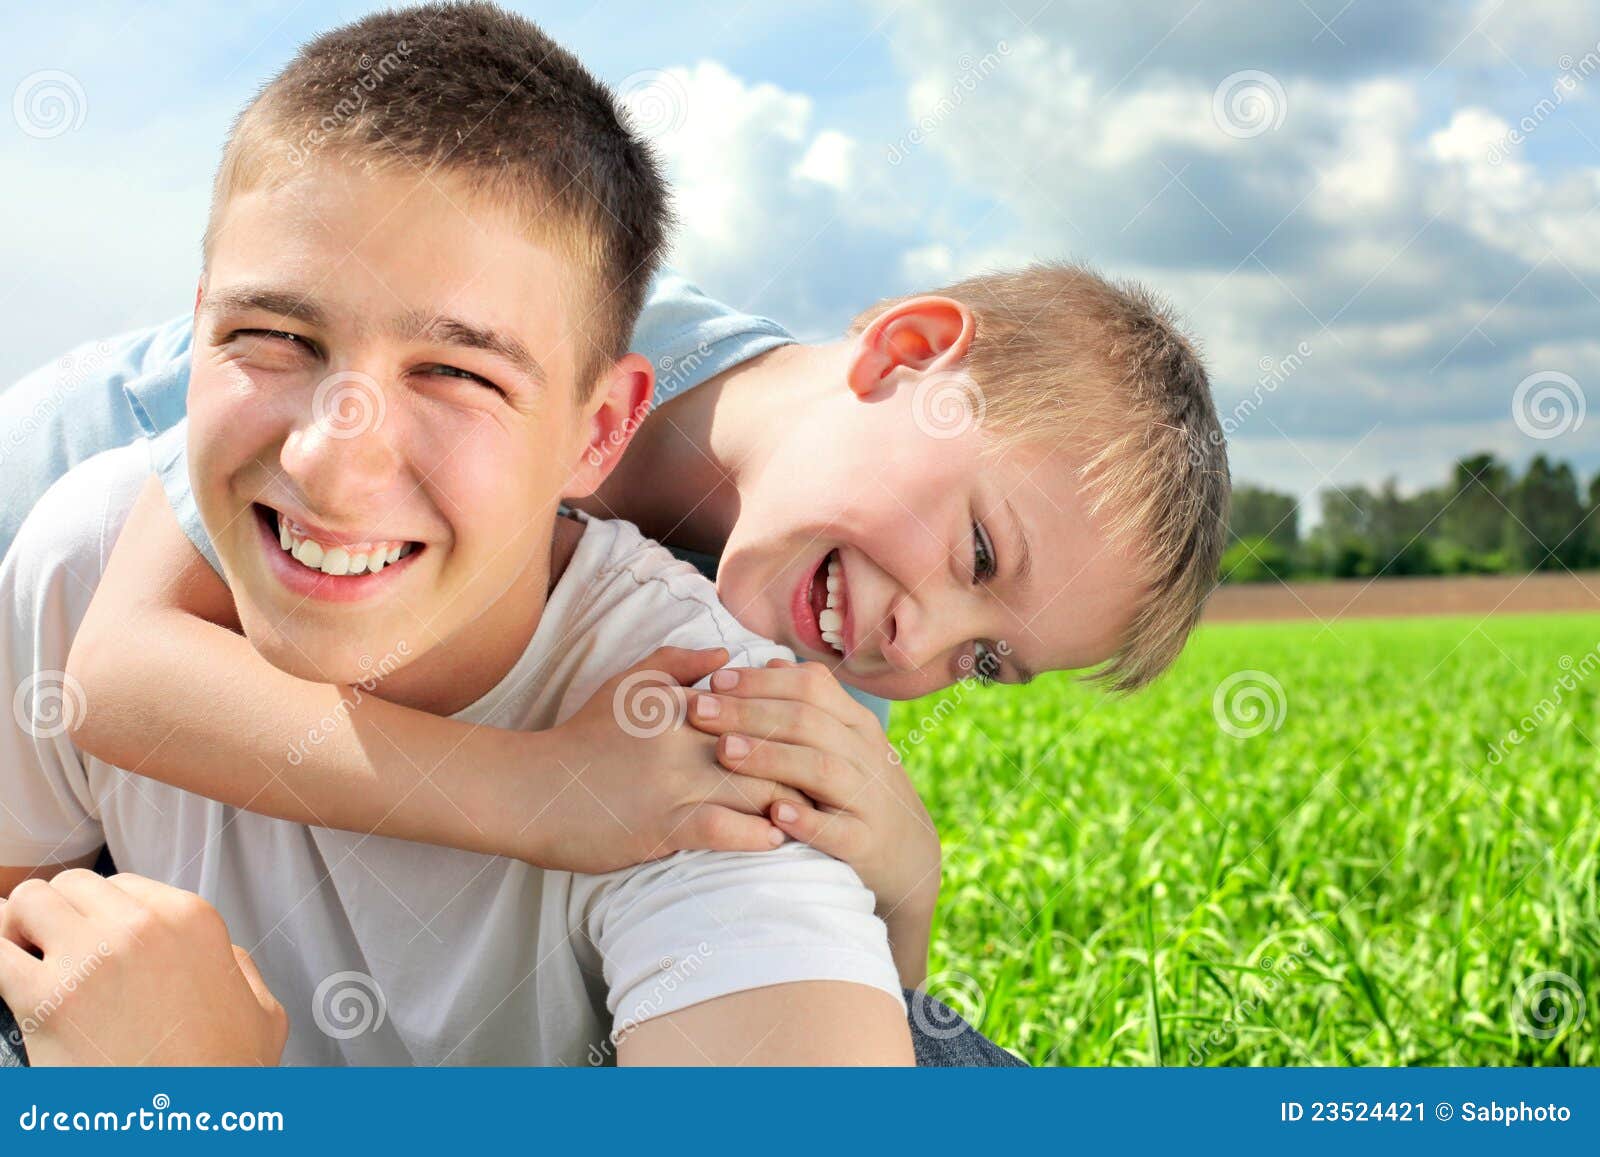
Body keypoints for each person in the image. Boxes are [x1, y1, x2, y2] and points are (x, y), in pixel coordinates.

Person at [0, 2, 914, 1066]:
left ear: (600, 430)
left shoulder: (701, 752)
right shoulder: (90, 554)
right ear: (197, 329)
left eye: (455, 373)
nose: (327, 462)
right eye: (272, 336)